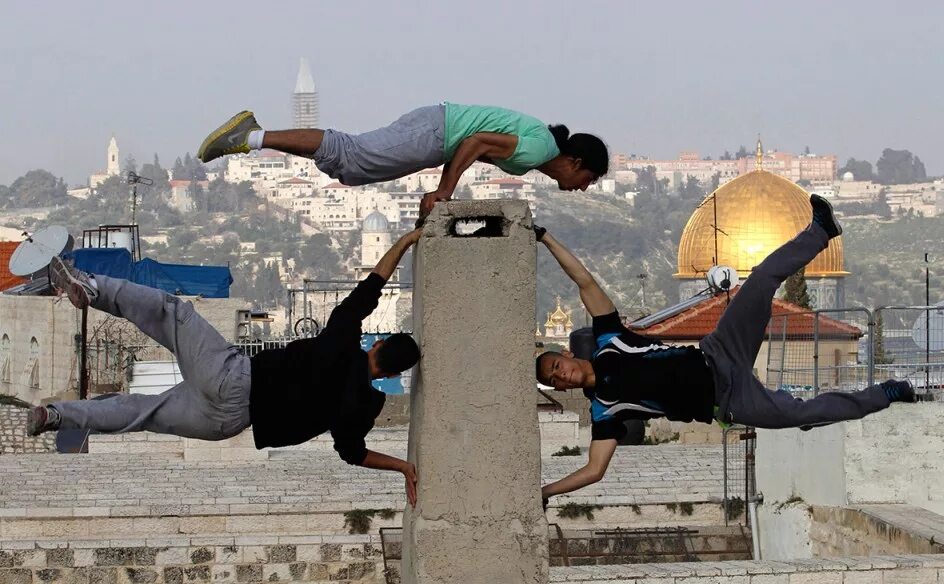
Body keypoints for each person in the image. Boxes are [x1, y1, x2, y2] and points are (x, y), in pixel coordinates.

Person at [534, 195, 918, 504]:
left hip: (717, 351)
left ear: (565, 355)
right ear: (563, 389)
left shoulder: (609, 340)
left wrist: (546, 238)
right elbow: (594, 470)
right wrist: (546, 493)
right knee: (805, 412)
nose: (559, 374)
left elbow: (584, 281)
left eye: (555, 364)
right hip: (729, 400)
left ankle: (820, 231)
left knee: (760, 280)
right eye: (554, 380)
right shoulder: (605, 410)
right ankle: (886, 394)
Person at [28, 230, 424, 505]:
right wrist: (402, 466)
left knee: (173, 312)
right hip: (227, 424)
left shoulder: (343, 340)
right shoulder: (364, 407)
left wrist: (406, 242)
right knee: (139, 414)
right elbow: (353, 453)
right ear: (390, 375)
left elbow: (373, 284)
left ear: (381, 343)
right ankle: (56, 417)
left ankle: (94, 289)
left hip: (233, 378)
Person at [196, 103, 608, 216]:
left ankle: (250, 135)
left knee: (350, 171)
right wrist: (444, 192)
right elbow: (476, 141)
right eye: (589, 177)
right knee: (351, 152)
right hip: (436, 132)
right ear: (575, 161)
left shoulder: (538, 150)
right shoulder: (541, 150)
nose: (585, 186)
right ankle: (249, 136)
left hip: (436, 132)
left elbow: (476, 143)